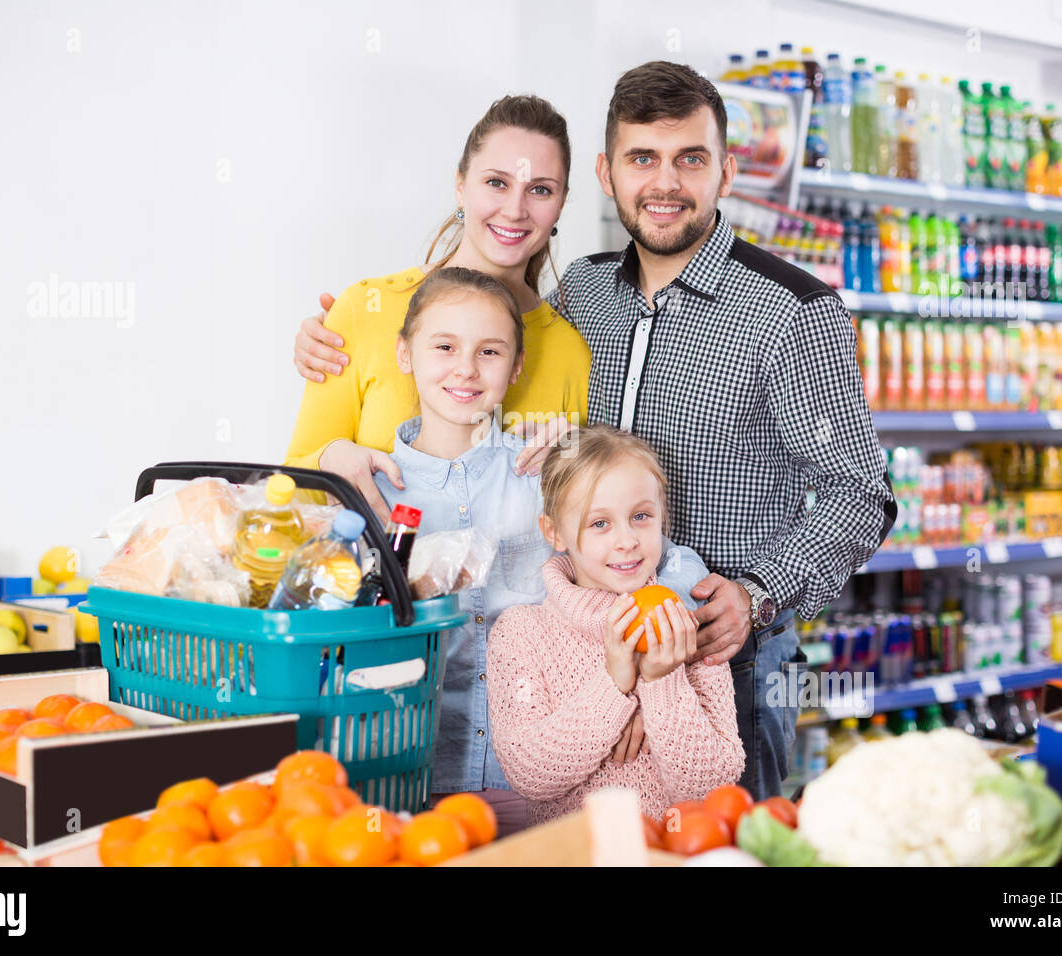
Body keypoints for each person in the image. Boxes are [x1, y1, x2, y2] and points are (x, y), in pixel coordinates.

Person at [293, 62, 897, 800]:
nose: (665, 183)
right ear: (611, 175)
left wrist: (757, 592)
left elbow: (862, 493)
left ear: (728, 171)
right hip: (584, 669)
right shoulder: (582, 294)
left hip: (719, 660)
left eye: (691, 159)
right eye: (644, 159)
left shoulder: (792, 312)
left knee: (719, 846)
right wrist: (327, 343)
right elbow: (469, 336)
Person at [368, 266, 710, 835]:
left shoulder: (544, 473)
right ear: (406, 354)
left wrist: (648, 674)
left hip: (545, 774)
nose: (466, 369)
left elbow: (664, 561)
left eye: (490, 352)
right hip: (409, 773)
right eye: (444, 346)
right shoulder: (373, 492)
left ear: (516, 366)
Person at [283, 94, 590, 518]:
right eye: (497, 182)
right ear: (461, 186)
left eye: (540, 190)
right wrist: (327, 460)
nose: (515, 210)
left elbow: (578, 523)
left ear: (560, 203)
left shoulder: (570, 351)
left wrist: (578, 462)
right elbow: (287, 488)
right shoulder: (363, 310)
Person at [486, 425, 745, 826]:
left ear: (662, 518)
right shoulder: (520, 633)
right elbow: (530, 774)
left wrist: (662, 681)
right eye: (600, 524)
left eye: (640, 516)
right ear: (553, 532)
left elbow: (711, 791)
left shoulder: (685, 627)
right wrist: (613, 685)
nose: (627, 540)